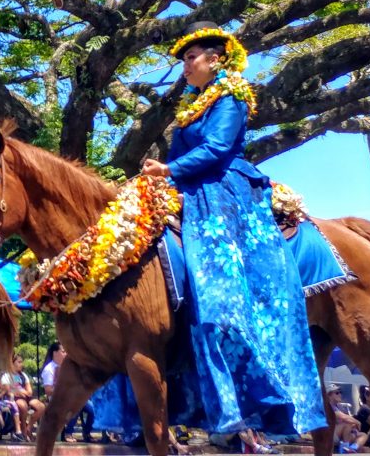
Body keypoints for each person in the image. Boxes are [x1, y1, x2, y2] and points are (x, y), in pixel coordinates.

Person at [141, 22, 326, 436]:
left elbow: (217, 150)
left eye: (191, 57)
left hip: (224, 191)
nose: (185, 66)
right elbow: (179, 155)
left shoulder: (231, 95)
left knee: (219, 296)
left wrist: (169, 169)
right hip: (189, 187)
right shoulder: (191, 106)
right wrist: (158, 175)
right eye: (184, 59)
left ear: (215, 58)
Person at [40, 342, 93, 442]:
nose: (66, 354)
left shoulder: (68, 367)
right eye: (63, 351)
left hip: (73, 396)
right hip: (58, 399)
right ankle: (68, 433)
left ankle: (87, 432)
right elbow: (48, 390)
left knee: (92, 409)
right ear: (55, 353)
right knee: (75, 406)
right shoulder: (49, 369)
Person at [1, 353, 44, 440]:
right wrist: (19, 391)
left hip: (26, 397)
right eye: (19, 362)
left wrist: (23, 392)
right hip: (14, 399)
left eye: (22, 362)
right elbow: (7, 390)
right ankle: (23, 428)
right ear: (12, 363)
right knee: (22, 405)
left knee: (41, 406)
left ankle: (29, 427)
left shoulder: (23, 375)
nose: (22, 364)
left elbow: (29, 391)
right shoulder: (6, 376)